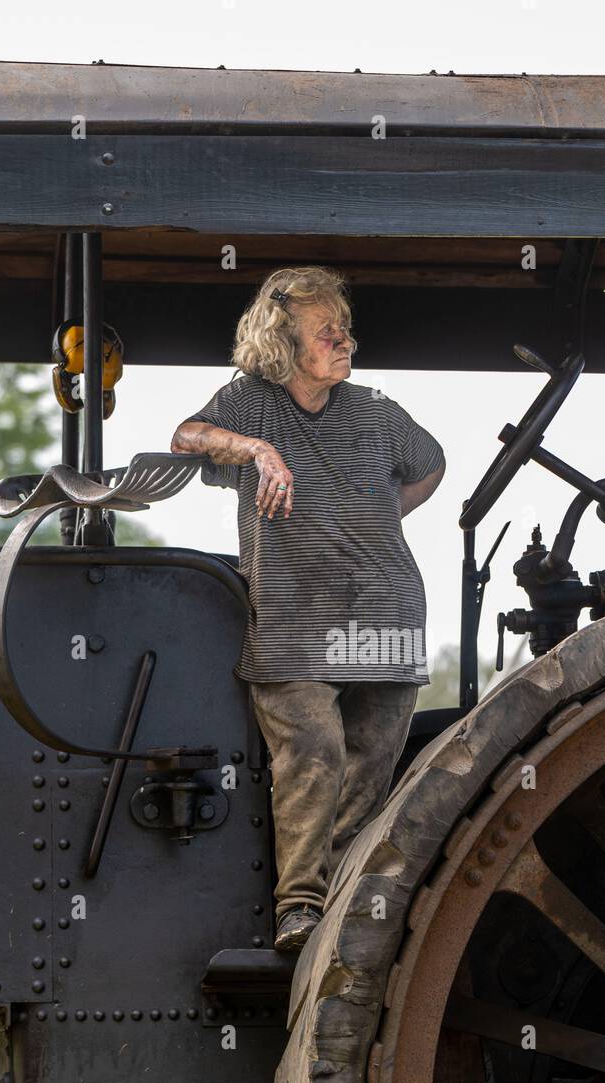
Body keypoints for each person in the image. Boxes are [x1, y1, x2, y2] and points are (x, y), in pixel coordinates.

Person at [171, 266, 446, 951]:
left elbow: (431, 464)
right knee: (313, 754)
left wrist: (381, 516)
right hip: (293, 621)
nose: (345, 339)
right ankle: (299, 908)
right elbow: (185, 437)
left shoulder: (377, 411)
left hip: (386, 612)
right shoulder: (250, 404)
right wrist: (257, 452)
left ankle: (348, 907)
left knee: (370, 762)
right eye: (328, 331)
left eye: (344, 327)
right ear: (284, 343)